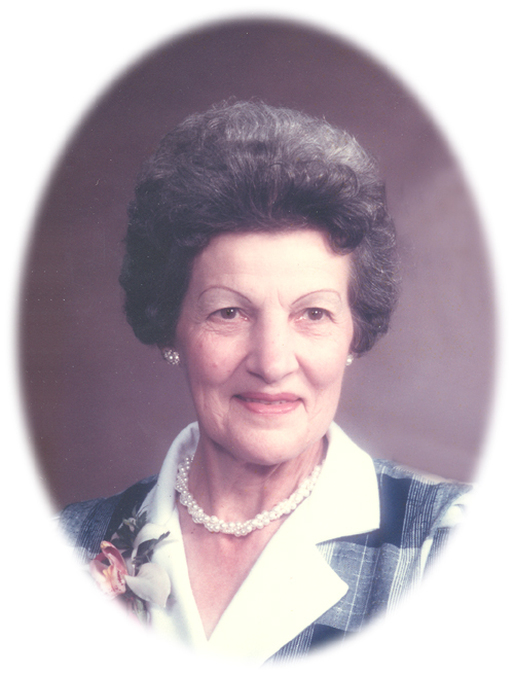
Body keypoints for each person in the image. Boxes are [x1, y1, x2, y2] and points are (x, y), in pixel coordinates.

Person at [59, 100, 471, 664]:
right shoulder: (60, 547)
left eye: (313, 313)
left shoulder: (448, 544)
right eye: (229, 312)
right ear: (171, 325)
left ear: (354, 334)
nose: (273, 362)